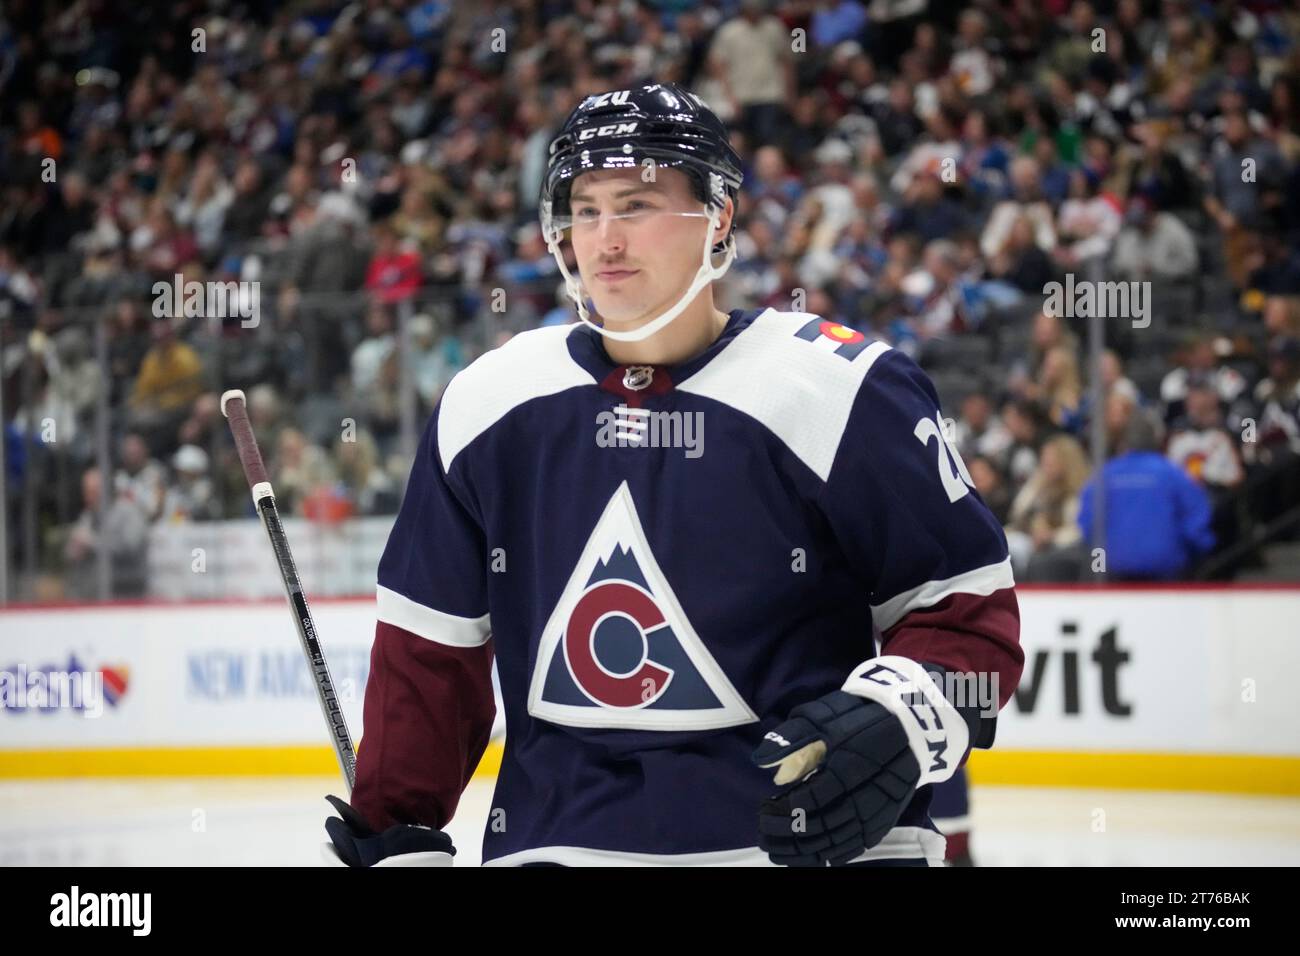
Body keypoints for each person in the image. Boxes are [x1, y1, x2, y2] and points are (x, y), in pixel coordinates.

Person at [324, 84, 1022, 868]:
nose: (605, 239)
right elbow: (428, 656)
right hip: (557, 846)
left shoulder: (841, 389)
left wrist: (901, 713)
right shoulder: (489, 404)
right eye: (585, 209)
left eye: (637, 203)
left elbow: (964, 613)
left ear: (718, 216)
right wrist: (391, 829)